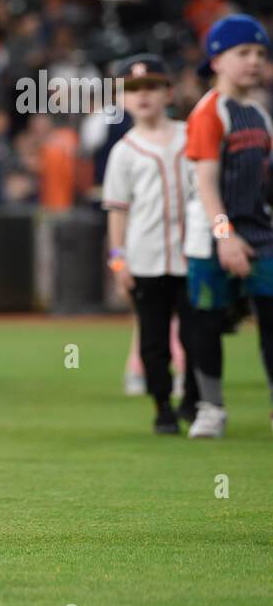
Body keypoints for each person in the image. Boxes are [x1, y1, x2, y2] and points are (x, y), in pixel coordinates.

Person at [182, 14, 273, 438]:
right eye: (243, 53)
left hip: (260, 233)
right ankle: (210, 408)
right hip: (211, 237)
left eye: (260, 53)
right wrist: (226, 236)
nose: (253, 61)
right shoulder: (208, 112)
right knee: (205, 319)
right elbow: (206, 183)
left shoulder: (259, 114)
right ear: (216, 59)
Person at [101, 55, 199, 433]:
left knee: (198, 333)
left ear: (168, 93)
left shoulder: (190, 135)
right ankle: (162, 406)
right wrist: (118, 260)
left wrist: (222, 239)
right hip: (145, 258)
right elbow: (117, 212)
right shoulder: (124, 150)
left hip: (193, 255)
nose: (142, 96)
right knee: (153, 339)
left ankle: (195, 398)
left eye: (151, 87)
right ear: (122, 99)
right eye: (132, 89)